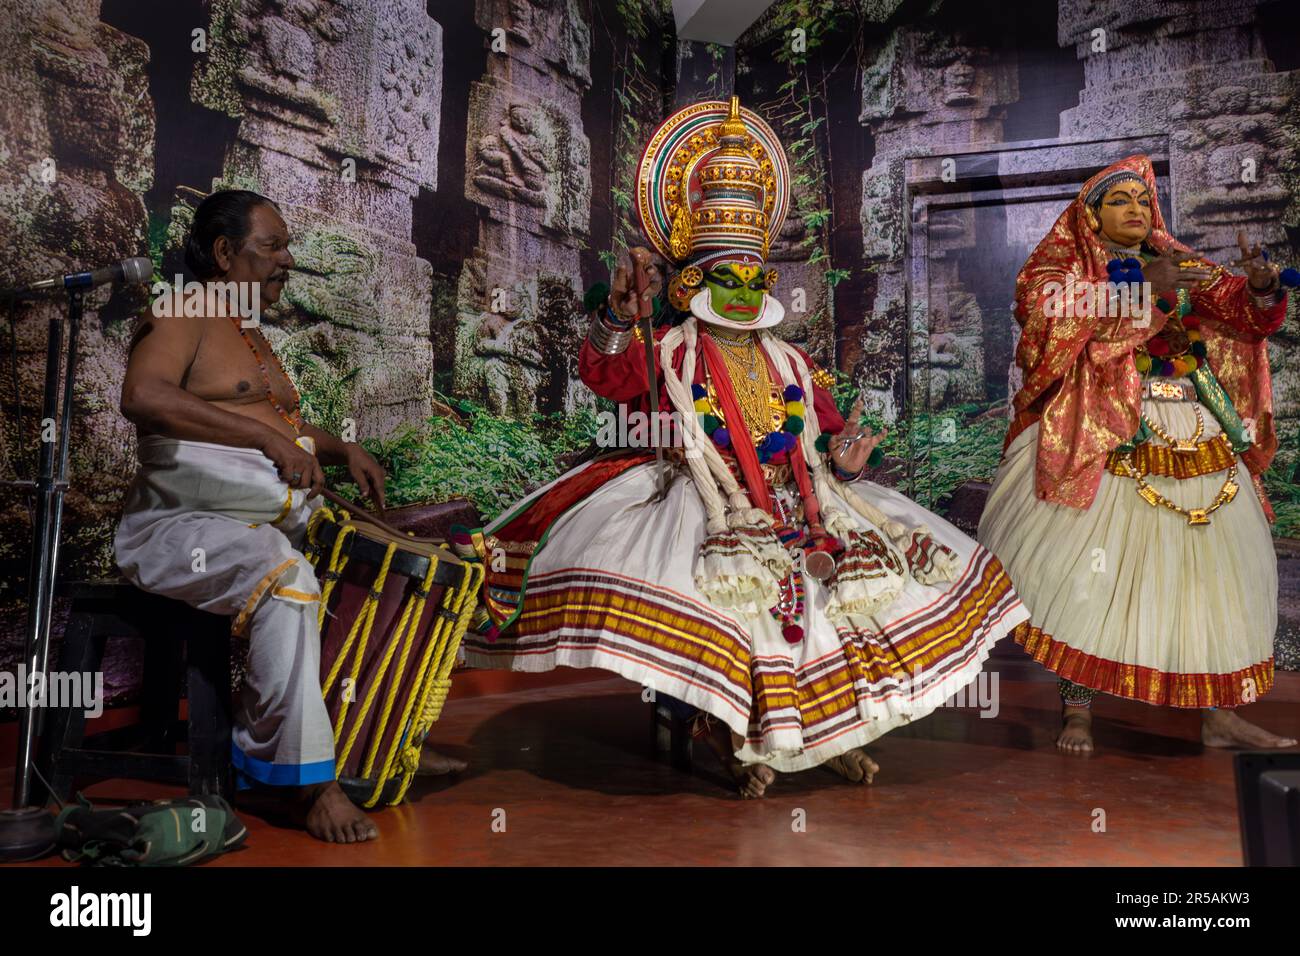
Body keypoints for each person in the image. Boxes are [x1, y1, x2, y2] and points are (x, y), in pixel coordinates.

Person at [462, 98, 1029, 797]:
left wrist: (851, 459)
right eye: (726, 277)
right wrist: (617, 315)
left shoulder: (789, 361)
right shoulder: (667, 347)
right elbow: (603, 374)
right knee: (736, 609)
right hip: (706, 499)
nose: (744, 290)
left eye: (755, 276)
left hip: (803, 499)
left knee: (850, 610)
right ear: (693, 282)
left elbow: (825, 433)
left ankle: (822, 739)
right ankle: (741, 738)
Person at [115, 190, 454, 843]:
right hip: (179, 523)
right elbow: (144, 395)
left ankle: (377, 743)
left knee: (398, 564)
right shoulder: (183, 309)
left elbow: (276, 420)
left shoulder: (251, 335)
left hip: (264, 510)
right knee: (284, 573)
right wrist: (268, 444)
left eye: (286, 246)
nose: (286, 261)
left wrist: (337, 446)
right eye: (271, 246)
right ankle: (305, 783)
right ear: (223, 253)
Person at [978, 154, 1297, 754]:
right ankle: (1077, 710)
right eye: (1120, 201)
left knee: (1207, 571)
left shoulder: (1175, 259)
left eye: (1144, 202)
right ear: (1092, 216)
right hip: (1104, 431)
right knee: (1087, 571)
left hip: (1196, 429)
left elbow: (1237, 312)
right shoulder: (1066, 264)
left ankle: (1218, 715)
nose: (1136, 211)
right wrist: (1140, 293)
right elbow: (1046, 318)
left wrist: (1259, 289)